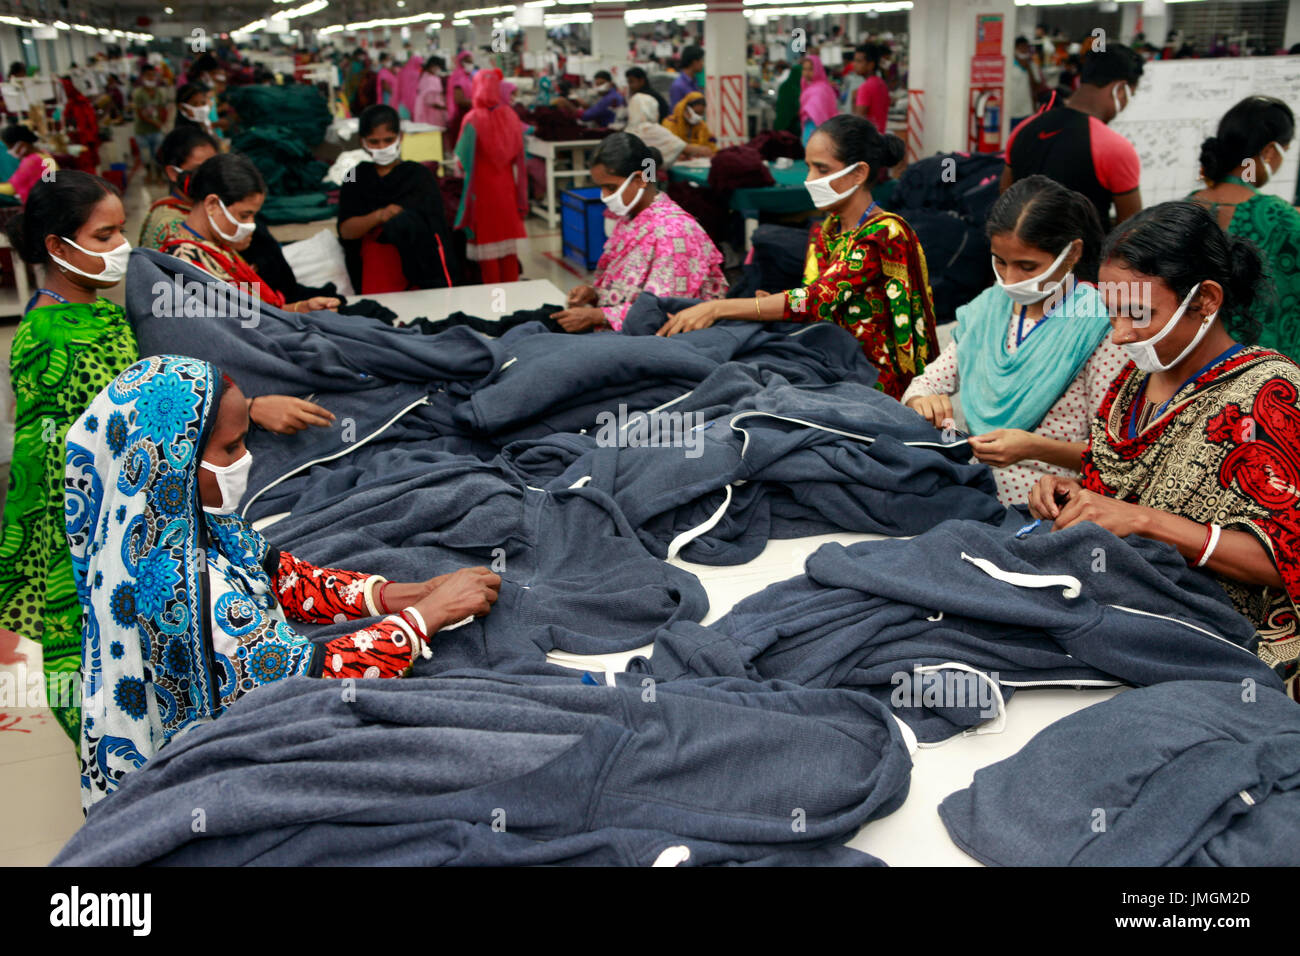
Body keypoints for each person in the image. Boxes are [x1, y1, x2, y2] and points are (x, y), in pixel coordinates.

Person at [67, 355, 503, 806]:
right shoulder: (174, 583)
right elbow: (317, 680)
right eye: (231, 449)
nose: (247, 459)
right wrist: (428, 616)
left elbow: (287, 579)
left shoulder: (190, 523)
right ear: (173, 460)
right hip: (212, 788)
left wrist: (401, 594)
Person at [0, 172, 331, 742]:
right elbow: (66, 465)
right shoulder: (50, 339)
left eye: (120, 231)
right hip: (91, 533)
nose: (121, 248)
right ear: (58, 246)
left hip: (130, 514)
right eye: (104, 237)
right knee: (112, 669)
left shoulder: (97, 312)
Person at [1027, 201, 1300, 692]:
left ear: (1206, 299)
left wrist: (1146, 522)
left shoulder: (1269, 395)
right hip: (1123, 600)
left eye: (1139, 314)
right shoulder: (1132, 384)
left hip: (1220, 635)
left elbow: (1285, 561)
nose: (1120, 334)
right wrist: (1069, 495)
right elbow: (1106, 489)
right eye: (1112, 315)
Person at [657, 116, 939, 398]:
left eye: (822, 168)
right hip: (831, 359)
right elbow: (812, 301)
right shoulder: (827, 230)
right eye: (809, 167)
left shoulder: (884, 234)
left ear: (858, 174)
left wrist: (717, 308)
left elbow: (815, 301)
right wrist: (768, 306)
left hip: (873, 380)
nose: (809, 180)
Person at [902, 176, 1129, 505]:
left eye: (1027, 266)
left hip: (1047, 504)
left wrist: (1032, 447)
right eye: (1000, 262)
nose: (1010, 279)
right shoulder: (991, 310)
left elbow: (1114, 458)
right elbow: (926, 384)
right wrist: (923, 401)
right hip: (974, 488)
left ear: (1072, 253)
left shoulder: (1101, 326)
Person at [551, 134, 727, 333]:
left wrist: (598, 316)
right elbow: (628, 285)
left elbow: (666, 311)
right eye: (601, 187)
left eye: (610, 187)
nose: (604, 196)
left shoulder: (675, 233)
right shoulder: (631, 219)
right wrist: (594, 294)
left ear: (639, 179)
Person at [1188, 96, 1300, 363]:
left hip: (1194, 371)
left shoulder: (1182, 210)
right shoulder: (1281, 218)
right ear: (1270, 151)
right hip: (1266, 376)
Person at [162, 153, 340, 313]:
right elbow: (236, 332)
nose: (251, 225)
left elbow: (258, 314)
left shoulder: (217, 248)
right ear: (212, 205)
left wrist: (301, 308)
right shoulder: (185, 264)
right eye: (244, 215)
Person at [1003, 43, 1145, 227]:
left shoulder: (1023, 129)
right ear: (1119, 89)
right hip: (1082, 254)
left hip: (1021, 251)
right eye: (1129, 95)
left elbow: (1004, 203)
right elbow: (1131, 230)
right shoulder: (1114, 147)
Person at [337, 104, 461, 294]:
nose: (382, 148)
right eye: (374, 142)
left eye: (388, 140)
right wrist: (380, 215)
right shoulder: (354, 175)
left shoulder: (419, 175)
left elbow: (436, 230)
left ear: (400, 137)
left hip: (419, 270)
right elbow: (346, 230)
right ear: (362, 141)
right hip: (375, 270)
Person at [454, 69, 527, 284]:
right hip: (507, 192)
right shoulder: (511, 116)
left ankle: (496, 305)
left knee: (488, 254)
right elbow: (520, 157)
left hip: (482, 192)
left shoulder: (473, 119)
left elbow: (461, 162)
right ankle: (513, 299)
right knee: (508, 252)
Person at [138, 125, 218, 249]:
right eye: (198, 169)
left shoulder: (203, 206)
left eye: (213, 165)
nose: (209, 174)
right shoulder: (170, 225)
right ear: (173, 173)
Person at [131, 63, 169, 185]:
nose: (151, 78)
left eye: (153, 75)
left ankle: (158, 176)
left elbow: (163, 109)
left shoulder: (159, 93)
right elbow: (140, 114)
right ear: (142, 77)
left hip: (156, 130)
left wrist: (162, 121)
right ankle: (148, 174)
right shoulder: (138, 94)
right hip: (142, 130)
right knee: (146, 156)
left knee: (158, 155)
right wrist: (155, 123)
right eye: (148, 76)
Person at [0, 125, 56, 202]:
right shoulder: (45, 155)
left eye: (10, 147)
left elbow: (12, 188)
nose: (9, 151)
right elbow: (54, 180)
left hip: (42, 205)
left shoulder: (31, 162)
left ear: (22, 145)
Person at [799, 54, 839, 146]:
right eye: (804, 69)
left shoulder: (821, 89)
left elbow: (816, 113)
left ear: (817, 69)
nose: (807, 73)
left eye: (810, 69)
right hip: (810, 127)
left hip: (817, 129)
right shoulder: (809, 87)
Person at [661, 91, 717, 155]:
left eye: (701, 113)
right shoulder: (670, 123)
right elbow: (671, 146)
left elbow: (710, 144)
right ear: (685, 109)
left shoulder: (701, 125)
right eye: (696, 113)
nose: (698, 117)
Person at [1007, 36, 1044, 129]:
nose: (1024, 50)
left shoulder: (1032, 65)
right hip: (1012, 111)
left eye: (1026, 47)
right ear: (1015, 48)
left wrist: (1028, 68)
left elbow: (1037, 86)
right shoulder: (1009, 65)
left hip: (1027, 110)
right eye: (1021, 47)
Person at [851, 43, 890, 132]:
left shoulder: (865, 87)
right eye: (854, 61)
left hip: (867, 141)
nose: (854, 64)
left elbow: (858, 122)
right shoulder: (881, 83)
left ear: (870, 65)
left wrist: (853, 101)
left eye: (859, 61)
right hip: (879, 137)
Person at [445, 51, 475, 148]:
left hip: (465, 114)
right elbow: (459, 100)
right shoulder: (459, 78)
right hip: (460, 115)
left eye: (471, 62)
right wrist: (476, 102)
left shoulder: (466, 77)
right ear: (461, 62)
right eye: (468, 62)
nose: (471, 65)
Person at [413, 55, 447, 128]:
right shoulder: (429, 79)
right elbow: (430, 101)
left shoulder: (428, 76)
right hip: (430, 112)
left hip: (428, 109)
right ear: (432, 66)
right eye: (438, 67)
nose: (439, 69)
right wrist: (444, 106)